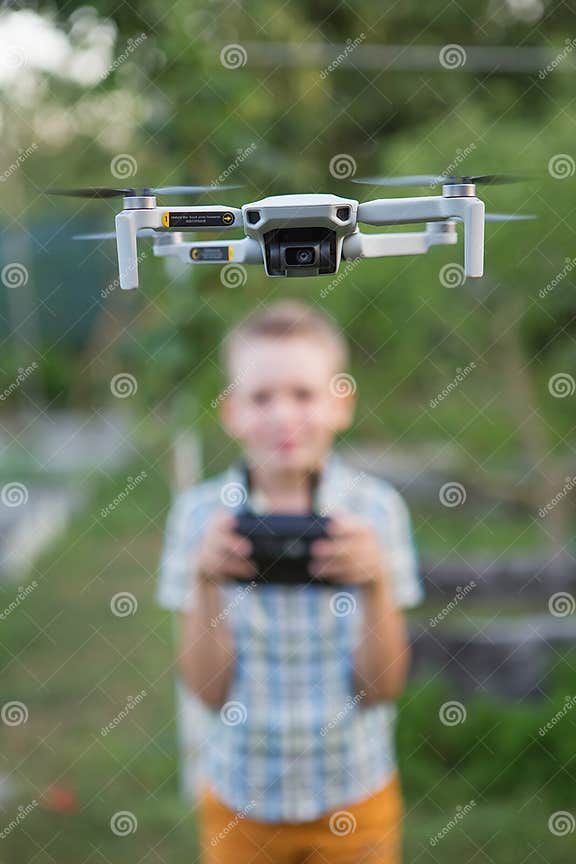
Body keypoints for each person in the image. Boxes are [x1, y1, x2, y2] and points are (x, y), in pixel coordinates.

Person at [156, 299, 425, 863]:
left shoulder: (377, 511)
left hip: (355, 793)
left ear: (340, 402)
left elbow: (382, 689)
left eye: (303, 394)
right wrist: (206, 578)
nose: (283, 415)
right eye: (261, 397)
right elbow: (208, 693)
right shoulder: (198, 517)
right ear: (231, 411)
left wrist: (376, 582)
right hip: (240, 799)